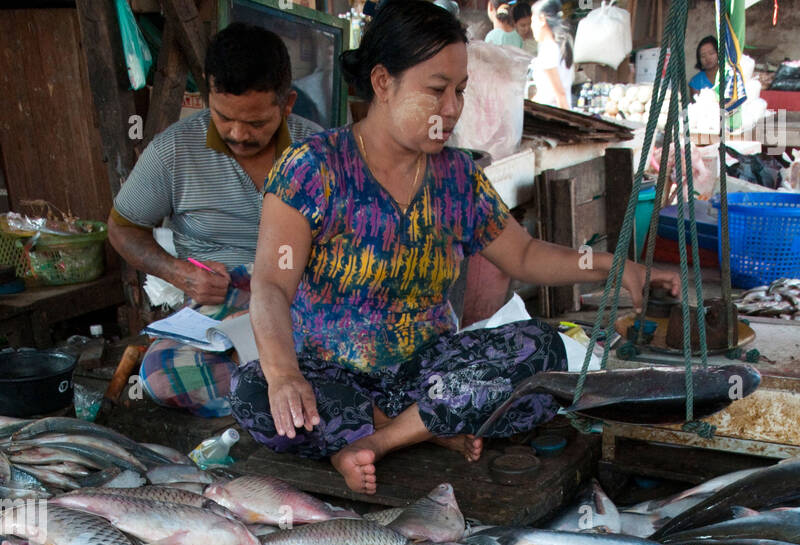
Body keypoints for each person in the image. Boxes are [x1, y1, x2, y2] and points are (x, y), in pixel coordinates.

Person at [229, 0, 680, 495]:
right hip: (332, 374)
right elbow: (272, 283)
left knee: (544, 349)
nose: (452, 109)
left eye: (460, 91)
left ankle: (379, 438)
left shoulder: (458, 177)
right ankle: (427, 426)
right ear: (383, 82)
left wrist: (613, 267)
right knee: (252, 392)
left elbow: (524, 255)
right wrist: (284, 374)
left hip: (429, 370)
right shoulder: (312, 169)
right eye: (437, 90)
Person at [107, 23, 321, 417]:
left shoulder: (320, 152)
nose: (238, 134)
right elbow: (122, 227)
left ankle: (272, 394)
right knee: (159, 375)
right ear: (208, 96)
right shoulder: (174, 149)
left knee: (358, 355)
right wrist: (178, 272)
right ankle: (282, 397)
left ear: (287, 104)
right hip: (217, 307)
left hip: (300, 300)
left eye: (256, 123)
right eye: (224, 117)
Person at [530, 0, 574, 110]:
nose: (531, 26)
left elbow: (560, 94)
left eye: (532, 21)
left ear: (542, 20)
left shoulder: (549, 49)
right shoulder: (557, 46)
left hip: (553, 116)